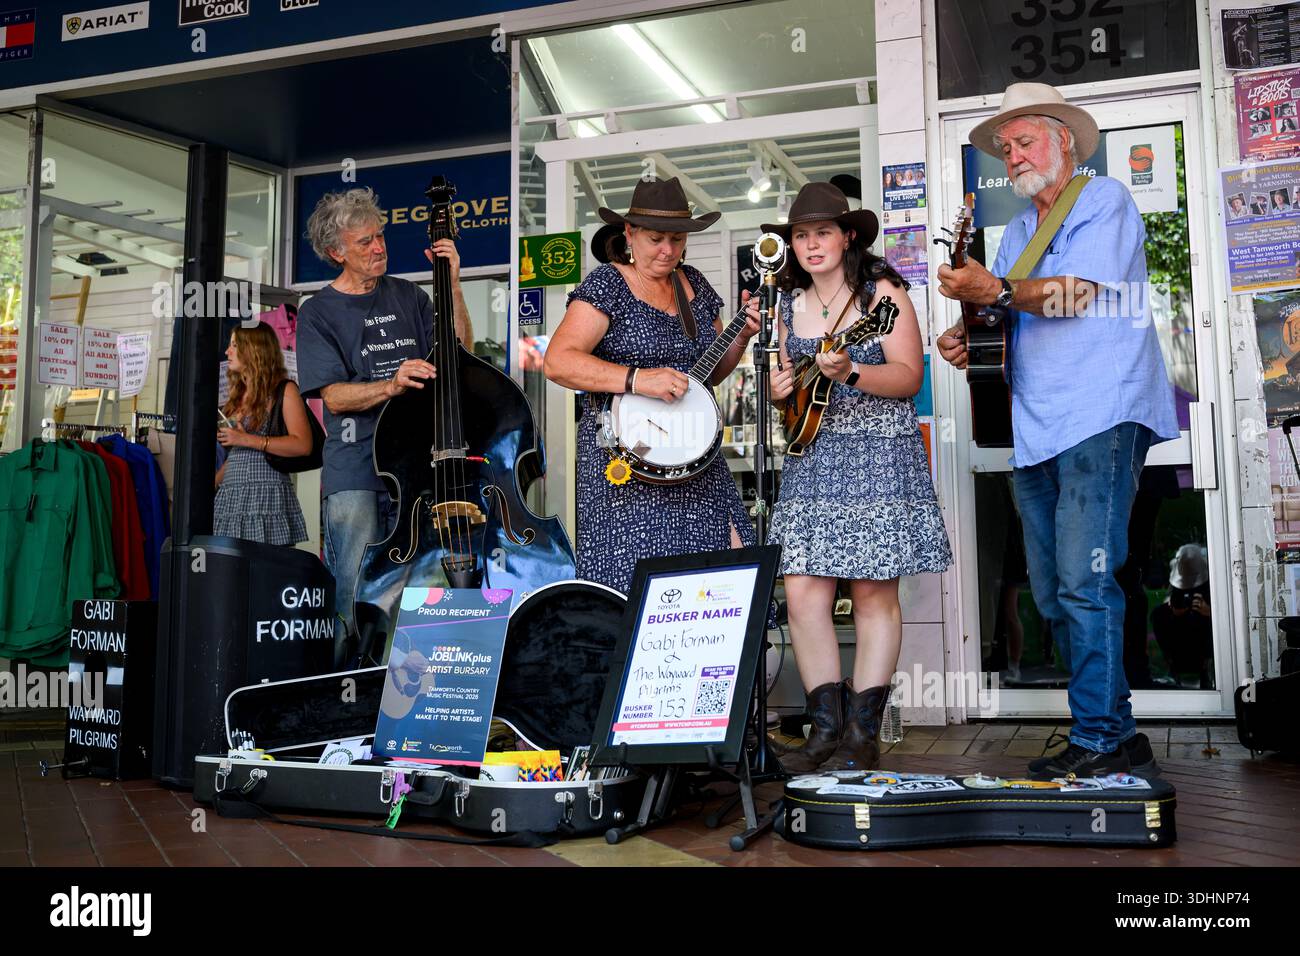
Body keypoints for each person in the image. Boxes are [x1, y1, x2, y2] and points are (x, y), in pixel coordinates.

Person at [936, 82, 1179, 779]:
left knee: (1084, 580)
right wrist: (970, 332)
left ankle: (1100, 737)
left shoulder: (1103, 200)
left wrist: (997, 293)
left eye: (1025, 140)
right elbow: (1013, 310)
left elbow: (1078, 293)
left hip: (1101, 416)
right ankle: (1117, 732)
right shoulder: (1016, 232)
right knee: (1052, 592)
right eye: (1004, 147)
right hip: (1037, 427)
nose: (1013, 155)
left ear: (1065, 142)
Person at [760, 181, 951, 772]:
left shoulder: (881, 295)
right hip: (812, 456)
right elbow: (786, 390)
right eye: (800, 235)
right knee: (802, 593)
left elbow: (909, 377)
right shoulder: (786, 304)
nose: (811, 245)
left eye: (822, 232)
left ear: (848, 237)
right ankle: (824, 730)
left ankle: (862, 735)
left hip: (877, 453)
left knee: (872, 593)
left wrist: (851, 375)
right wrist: (779, 391)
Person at [543, 178, 760, 594]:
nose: (668, 250)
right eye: (656, 239)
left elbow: (706, 377)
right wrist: (639, 380)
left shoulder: (693, 285)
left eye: (677, 240)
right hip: (627, 465)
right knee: (638, 581)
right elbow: (559, 361)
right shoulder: (608, 285)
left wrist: (741, 337)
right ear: (629, 234)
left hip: (696, 458)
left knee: (725, 572)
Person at [297, 186, 474, 665]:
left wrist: (453, 283)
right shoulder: (317, 312)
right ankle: (346, 691)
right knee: (355, 586)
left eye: (380, 237)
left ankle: (409, 697)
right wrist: (390, 385)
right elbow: (332, 396)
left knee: (420, 583)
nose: (378, 248)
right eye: (363, 243)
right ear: (336, 252)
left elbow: (458, 354)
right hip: (355, 468)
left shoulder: (410, 295)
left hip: (417, 465)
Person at [214, 322, 310, 546]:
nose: (228, 351)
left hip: (265, 492)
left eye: (234, 345)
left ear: (253, 349)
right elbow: (239, 452)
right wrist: (214, 482)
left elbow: (302, 444)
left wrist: (246, 439)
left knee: (266, 569)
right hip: (232, 495)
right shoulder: (238, 393)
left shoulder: (284, 390)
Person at [1151, 544, 1213, 688]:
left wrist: (1209, 613)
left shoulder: (1211, 588)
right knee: (1159, 615)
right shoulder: (1174, 589)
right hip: (1178, 644)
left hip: (1204, 647)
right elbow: (1163, 612)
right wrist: (1174, 612)